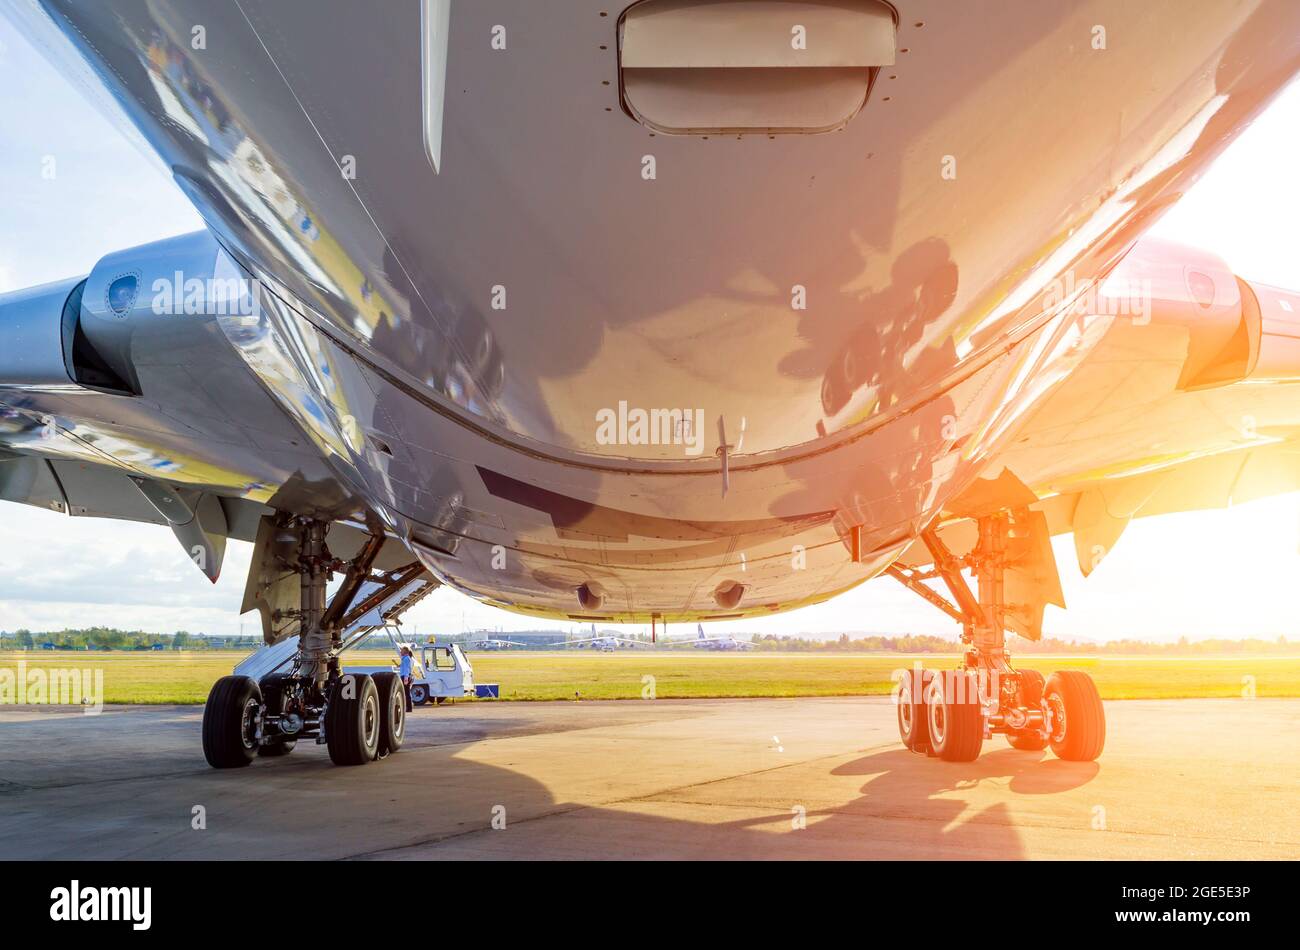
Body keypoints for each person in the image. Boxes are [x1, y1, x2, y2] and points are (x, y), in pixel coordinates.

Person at [398, 646, 414, 712]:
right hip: (405, 676)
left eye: (402, 650)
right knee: (406, 692)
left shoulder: (406, 659)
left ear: (405, 651)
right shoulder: (405, 658)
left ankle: (409, 708)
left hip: (405, 676)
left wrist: (406, 678)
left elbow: (406, 669)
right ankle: (408, 707)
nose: (400, 651)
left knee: (406, 693)